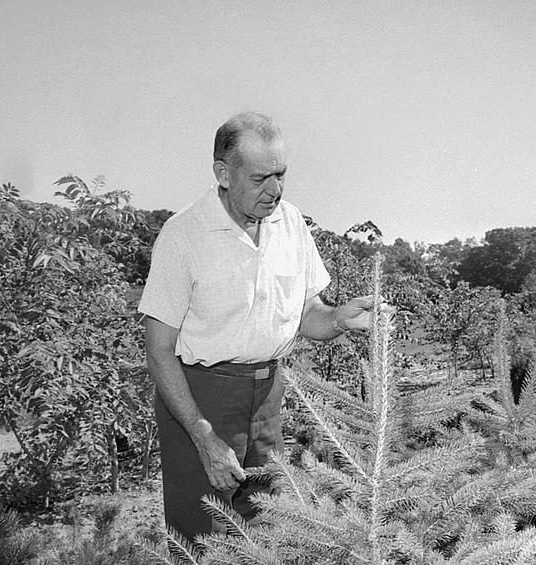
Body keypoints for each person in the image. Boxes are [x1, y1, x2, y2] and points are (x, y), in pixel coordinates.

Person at [138, 112, 377, 537]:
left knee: (268, 525)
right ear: (223, 174)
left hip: (268, 396)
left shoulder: (291, 224)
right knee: (203, 536)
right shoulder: (184, 235)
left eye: (281, 175)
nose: (276, 190)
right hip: (201, 398)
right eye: (261, 178)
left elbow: (308, 314)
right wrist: (204, 436)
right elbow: (158, 349)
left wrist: (339, 318)